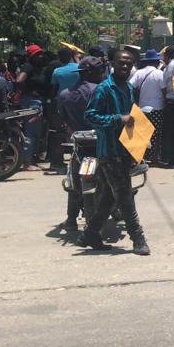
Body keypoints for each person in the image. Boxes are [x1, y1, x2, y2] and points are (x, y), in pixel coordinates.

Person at [77, 50, 150, 255]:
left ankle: (90, 233)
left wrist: (141, 136)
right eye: (121, 63)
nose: (125, 67)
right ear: (112, 64)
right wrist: (117, 119)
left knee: (110, 197)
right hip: (109, 152)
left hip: (125, 150)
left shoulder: (127, 87)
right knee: (125, 197)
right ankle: (138, 238)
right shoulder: (103, 89)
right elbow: (90, 116)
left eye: (128, 64)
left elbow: (131, 118)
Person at [57, 56, 105, 231]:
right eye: (101, 72)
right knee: (119, 174)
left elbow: (64, 121)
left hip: (79, 144)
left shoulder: (65, 95)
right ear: (95, 73)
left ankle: (71, 219)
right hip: (101, 143)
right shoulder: (102, 90)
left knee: (73, 177)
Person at [129, 49, 165, 165]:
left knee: (142, 133)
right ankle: (153, 159)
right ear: (156, 62)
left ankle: (141, 157)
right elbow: (164, 90)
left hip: (142, 106)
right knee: (155, 134)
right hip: (157, 108)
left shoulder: (139, 72)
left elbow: (130, 86)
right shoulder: (159, 73)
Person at [16, 44, 48, 168]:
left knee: (36, 132)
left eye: (41, 53)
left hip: (37, 101)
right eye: (37, 54)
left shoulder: (39, 68)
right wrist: (27, 90)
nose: (40, 56)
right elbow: (19, 80)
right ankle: (27, 161)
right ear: (31, 56)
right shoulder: (28, 67)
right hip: (31, 101)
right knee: (30, 132)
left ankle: (31, 159)